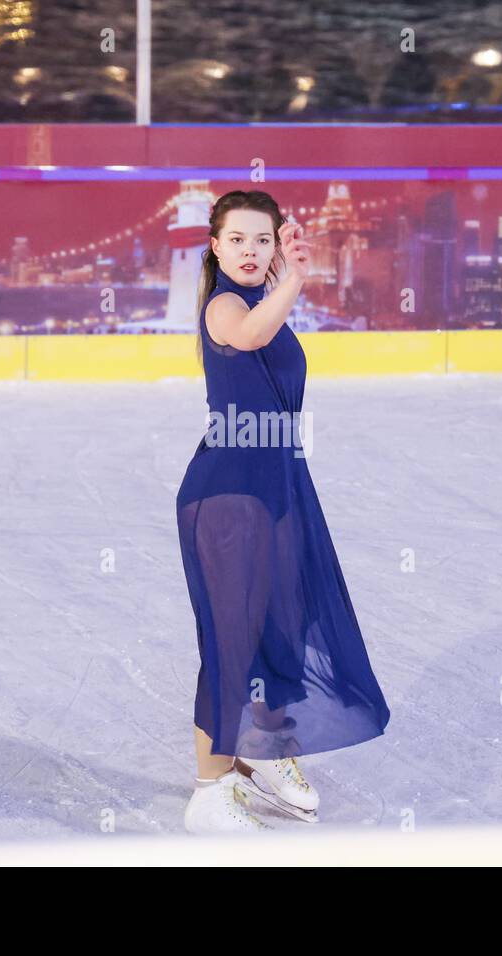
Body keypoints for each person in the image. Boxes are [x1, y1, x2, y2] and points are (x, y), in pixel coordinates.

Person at [176, 190, 391, 833]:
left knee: (284, 624)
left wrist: (284, 282)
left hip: (277, 485)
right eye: (237, 239)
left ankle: (261, 755)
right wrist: (294, 277)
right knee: (232, 638)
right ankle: (208, 794)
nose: (249, 250)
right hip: (228, 494)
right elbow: (248, 336)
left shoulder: (265, 300)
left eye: (262, 240)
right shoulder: (224, 307)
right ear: (215, 247)